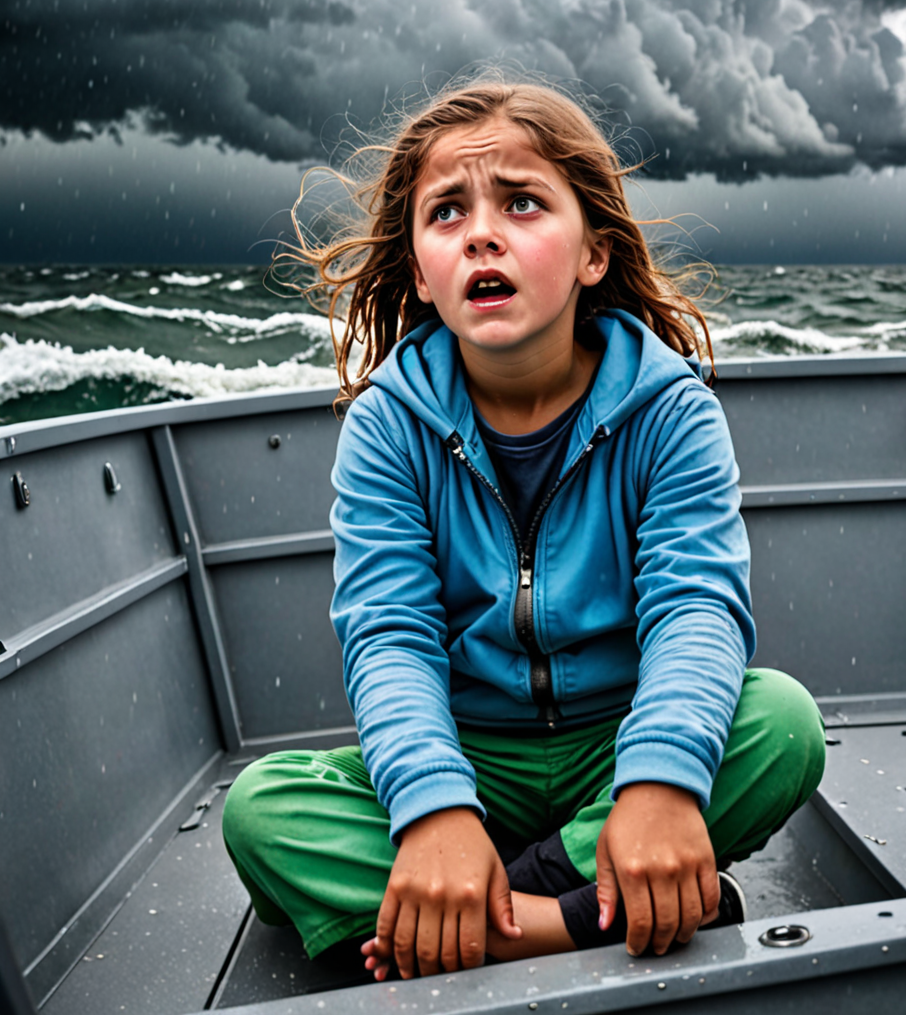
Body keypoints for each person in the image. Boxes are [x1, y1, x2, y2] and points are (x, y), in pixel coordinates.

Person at [222, 80, 826, 982]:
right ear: (422, 273)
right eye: (447, 213)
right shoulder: (389, 425)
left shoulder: (671, 413)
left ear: (593, 254)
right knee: (260, 812)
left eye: (523, 201)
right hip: (472, 758)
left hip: (616, 748)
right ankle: (596, 907)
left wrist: (659, 781)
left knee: (782, 724)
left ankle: (484, 918)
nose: (482, 232)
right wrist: (433, 814)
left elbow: (697, 609)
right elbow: (389, 639)